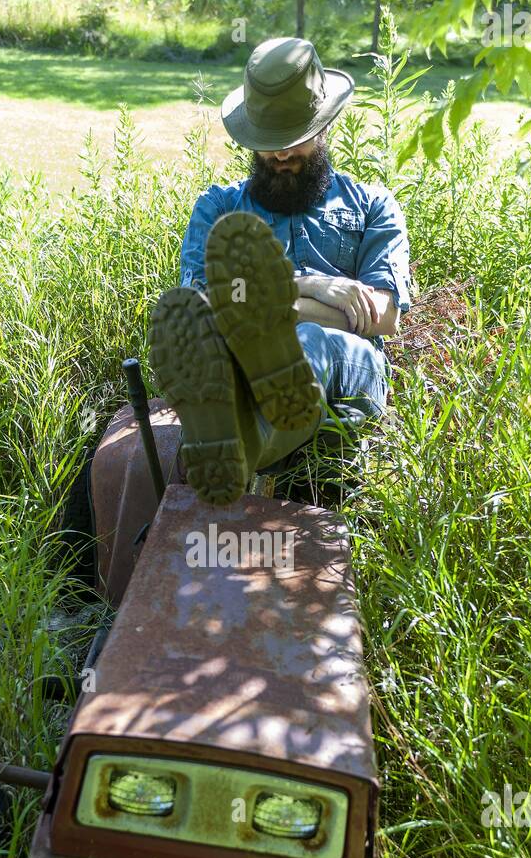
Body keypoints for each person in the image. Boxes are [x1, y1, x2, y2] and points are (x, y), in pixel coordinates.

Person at [147, 35, 411, 506]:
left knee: (306, 342)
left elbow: (383, 314)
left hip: (354, 373)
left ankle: (245, 444)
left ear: (325, 123)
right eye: (270, 144)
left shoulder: (372, 205)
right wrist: (312, 288)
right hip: (246, 365)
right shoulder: (219, 208)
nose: (282, 155)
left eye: (295, 140)